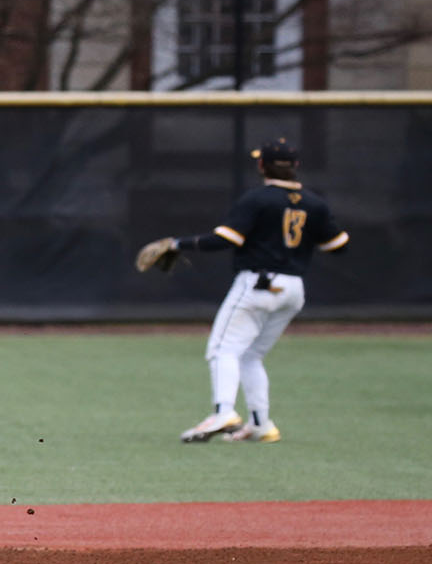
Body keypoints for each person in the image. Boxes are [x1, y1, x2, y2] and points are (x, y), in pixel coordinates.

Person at [139, 137, 349, 444]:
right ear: (296, 167)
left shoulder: (258, 199)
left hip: (257, 284)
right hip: (293, 290)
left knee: (222, 350)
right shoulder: (314, 203)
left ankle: (224, 412)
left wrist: (177, 243)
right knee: (251, 355)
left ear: (261, 165)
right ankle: (261, 424)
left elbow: (226, 239)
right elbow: (339, 245)